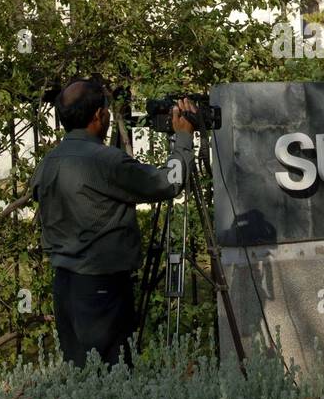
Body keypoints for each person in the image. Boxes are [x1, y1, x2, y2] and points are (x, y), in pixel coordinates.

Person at [30, 77, 198, 367]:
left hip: (65, 285)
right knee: (112, 373)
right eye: (106, 110)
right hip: (101, 287)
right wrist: (183, 137)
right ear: (98, 115)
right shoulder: (105, 161)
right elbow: (169, 183)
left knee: (80, 374)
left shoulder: (49, 162)